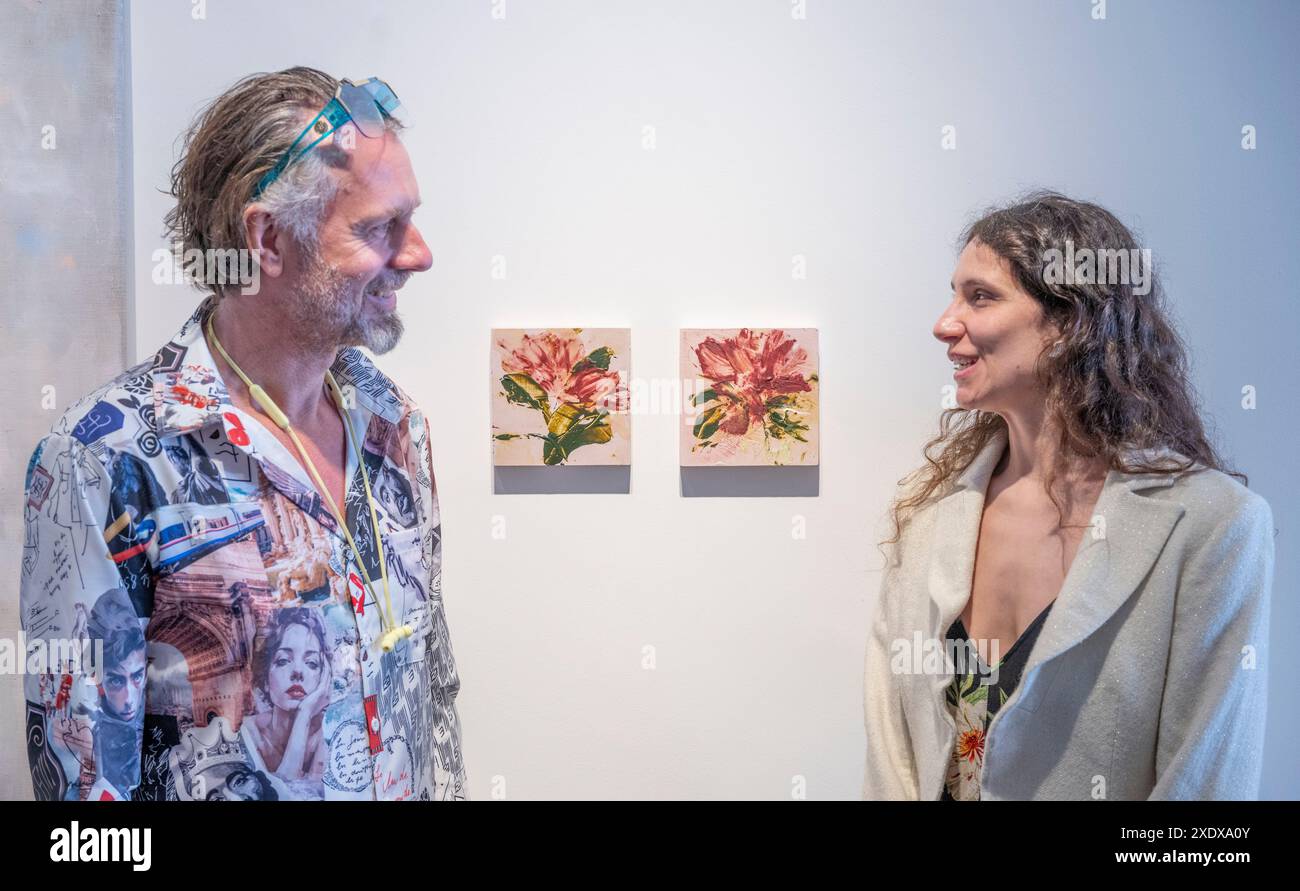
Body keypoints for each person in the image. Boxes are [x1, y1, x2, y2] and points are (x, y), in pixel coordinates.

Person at [19, 67, 466, 801]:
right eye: (379, 226)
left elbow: (432, 704)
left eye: (409, 219)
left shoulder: (396, 424)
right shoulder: (108, 458)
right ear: (267, 238)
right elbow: (85, 802)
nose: (417, 253)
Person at [863, 191, 1274, 800]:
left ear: (1069, 323)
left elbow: (1207, 789)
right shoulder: (928, 514)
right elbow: (890, 750)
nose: (944, 323)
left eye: (980, 296)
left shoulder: (1210, 524)